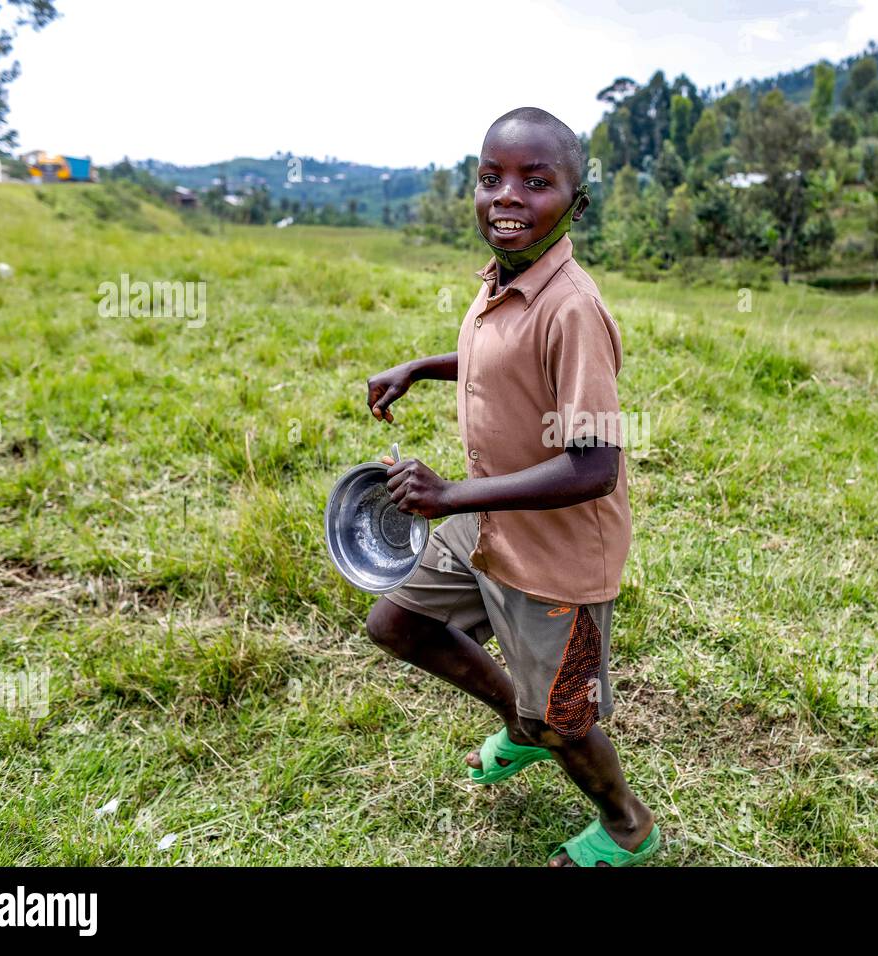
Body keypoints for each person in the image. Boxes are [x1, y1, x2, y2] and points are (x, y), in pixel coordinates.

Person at [362, 107, 659, 867]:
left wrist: (449, 495)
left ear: (576, 203)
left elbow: (595, 467)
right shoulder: (506, 278)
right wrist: (423, 368)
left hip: (555, 555)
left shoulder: (572, 307)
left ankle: (627, 825)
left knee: (566, 716)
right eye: (492, 178)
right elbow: (503, 361)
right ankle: (520, 723)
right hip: (490, 521)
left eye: (536, 181)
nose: (508, 197)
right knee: (396, 623)